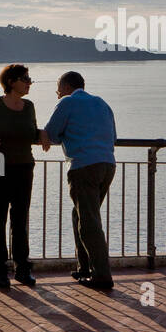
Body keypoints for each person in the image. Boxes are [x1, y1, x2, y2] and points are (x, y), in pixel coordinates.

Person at [0, 63, 48, 289]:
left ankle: (22, 268)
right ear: (11, 82)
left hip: (24, 166)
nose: (29, 82)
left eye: (29, 78)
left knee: (20, 219)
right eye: (25, 78)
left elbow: (30, 132)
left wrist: (41, 132)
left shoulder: (29, 106)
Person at [41, 71, 116, 291]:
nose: (57, 93)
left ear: (65, 86)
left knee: (89, 221)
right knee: (80, 215)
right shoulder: (102, 103)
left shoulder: (67, 102)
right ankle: (85, 268)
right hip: (107, 164)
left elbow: (52, 133)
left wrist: (60, 135)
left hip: (83, 166)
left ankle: (102, 275)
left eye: (57, 88)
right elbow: (114, 137)